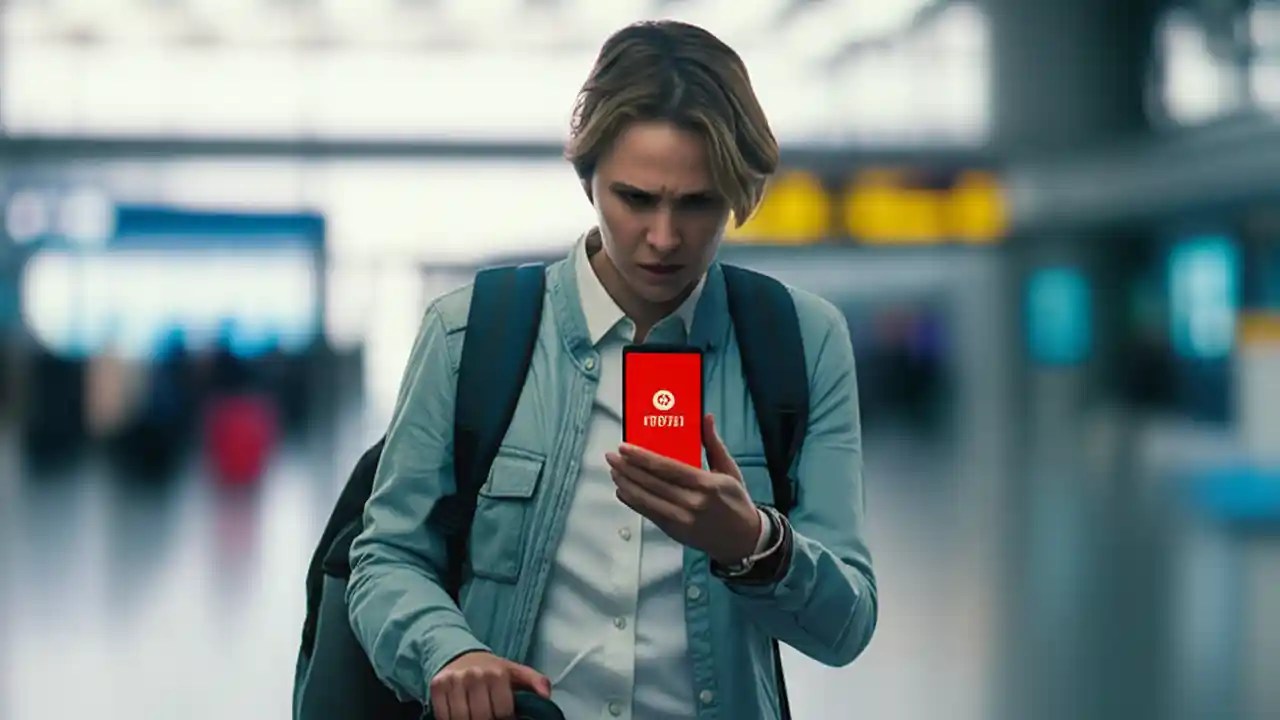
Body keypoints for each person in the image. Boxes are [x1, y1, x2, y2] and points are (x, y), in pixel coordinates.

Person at [346, 20, 877, 720]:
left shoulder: (802, 341)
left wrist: (755, 544)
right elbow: (385, 558)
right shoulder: (469, 332)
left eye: (697, 203)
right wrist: (448, 649)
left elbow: (847, 625)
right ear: (587, 175)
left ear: (739, 194)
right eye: (635, 198)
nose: (663, 237)